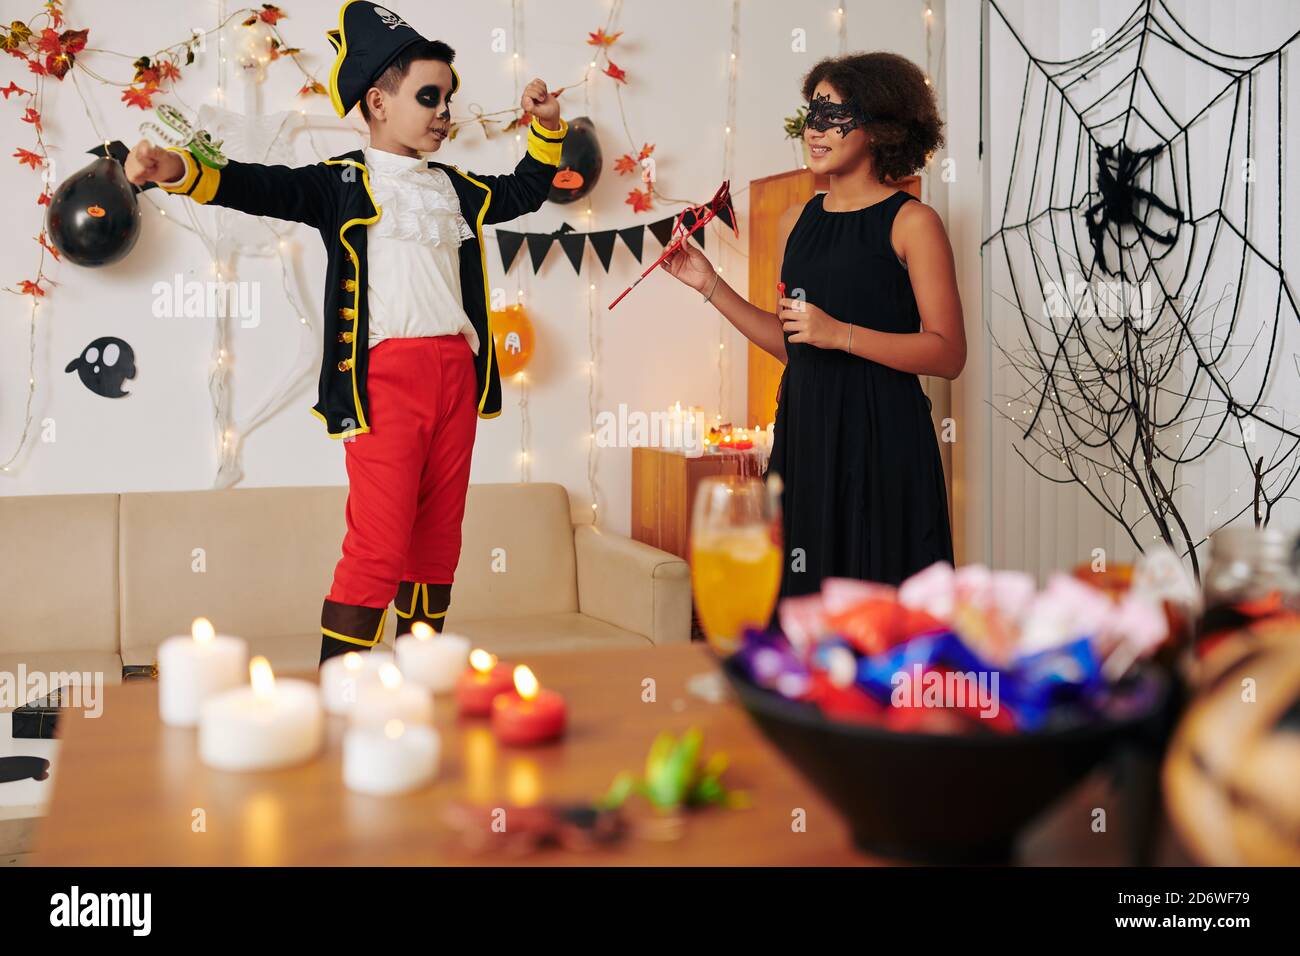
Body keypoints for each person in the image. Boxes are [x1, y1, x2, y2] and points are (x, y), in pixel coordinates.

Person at [125, 1, 568, 662]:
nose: (445, 111)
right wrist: (180, 172)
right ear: (378, 103)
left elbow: (528, 188)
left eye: (448, 97)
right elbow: (261, 187)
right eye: (429, 96)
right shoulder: (340, 183)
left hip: (458, 379)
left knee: (439, 538)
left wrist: (548, 126)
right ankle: (344, 690)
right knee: (379, 542)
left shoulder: (455, 188)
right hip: (386, 383)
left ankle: (421, 675)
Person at [661, 51, 964, 598]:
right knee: (799, 608)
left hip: (882, 438)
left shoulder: (913, 222)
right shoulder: (796, 220)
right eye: (811, 113)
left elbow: (947, 354)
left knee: (883, 613)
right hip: (805, 435)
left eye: (833, 116)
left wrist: (839, 333)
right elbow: (795, 344)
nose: (815, 130)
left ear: (878, 127)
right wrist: (710, 284)